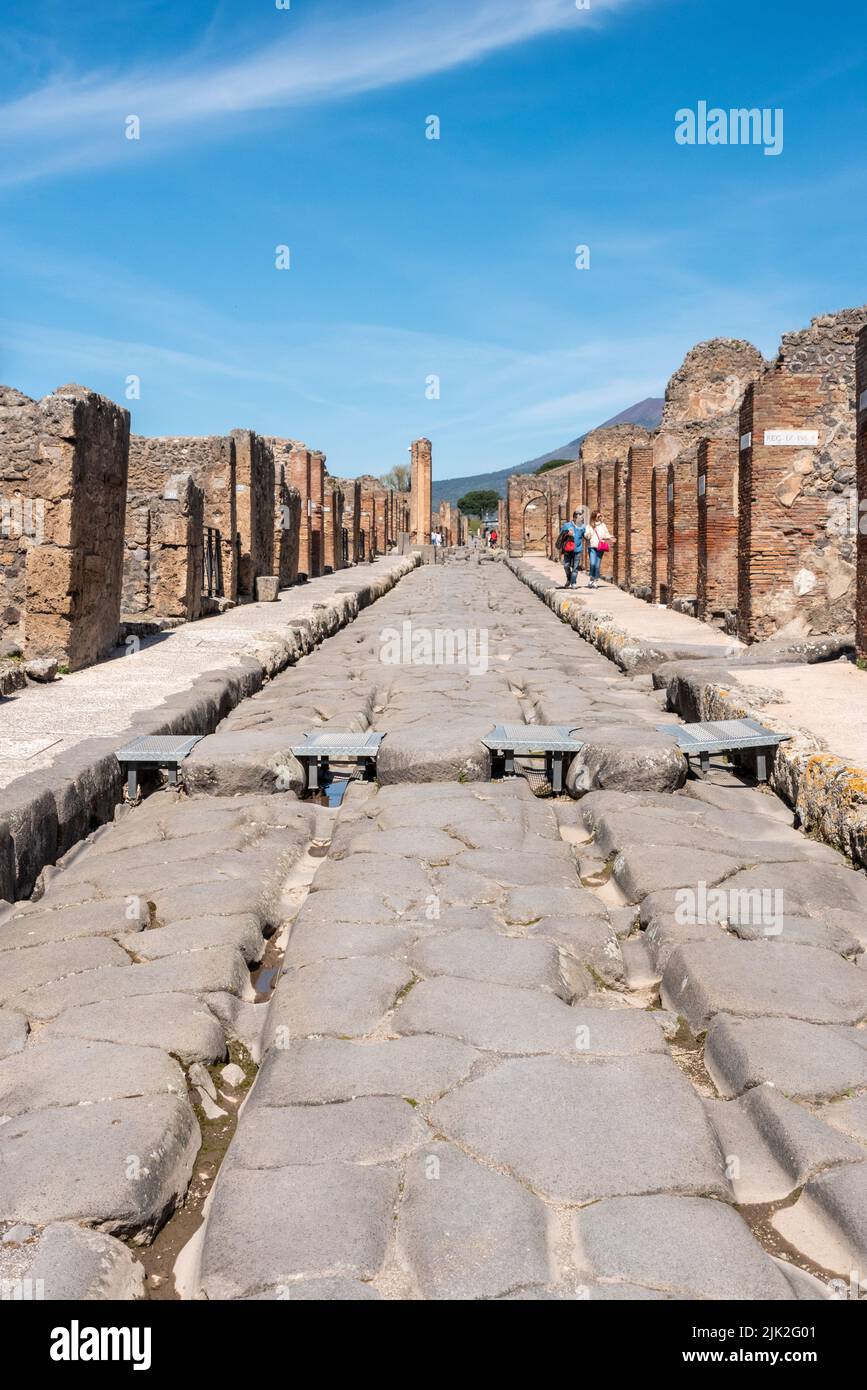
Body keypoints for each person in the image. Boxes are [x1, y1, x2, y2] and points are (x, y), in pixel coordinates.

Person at [555, 509, 586, 588]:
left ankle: (573, 583)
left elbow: (585, 536)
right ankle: (569, 578)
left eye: (582, 518)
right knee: (566, 565)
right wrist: (567, 533)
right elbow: (561, 536)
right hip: (568, 549)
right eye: (580, 518)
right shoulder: (567, 525)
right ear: (575, 518)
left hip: (578, 549)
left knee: (575, 568)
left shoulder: (582, 527)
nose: (582, 519)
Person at [586, 509, 614, 589]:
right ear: (594, 517)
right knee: (592, 563)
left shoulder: (603, 525)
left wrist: (611, 537)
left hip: (600, 547)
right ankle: (592, 578)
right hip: (592, 546)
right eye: (599, 516)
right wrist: (588, 535)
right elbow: (586, 534)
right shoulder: (589, 525)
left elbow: (606, 534)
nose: (600, 517)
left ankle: (595, 581)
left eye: (600, 516)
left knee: (597, 565)